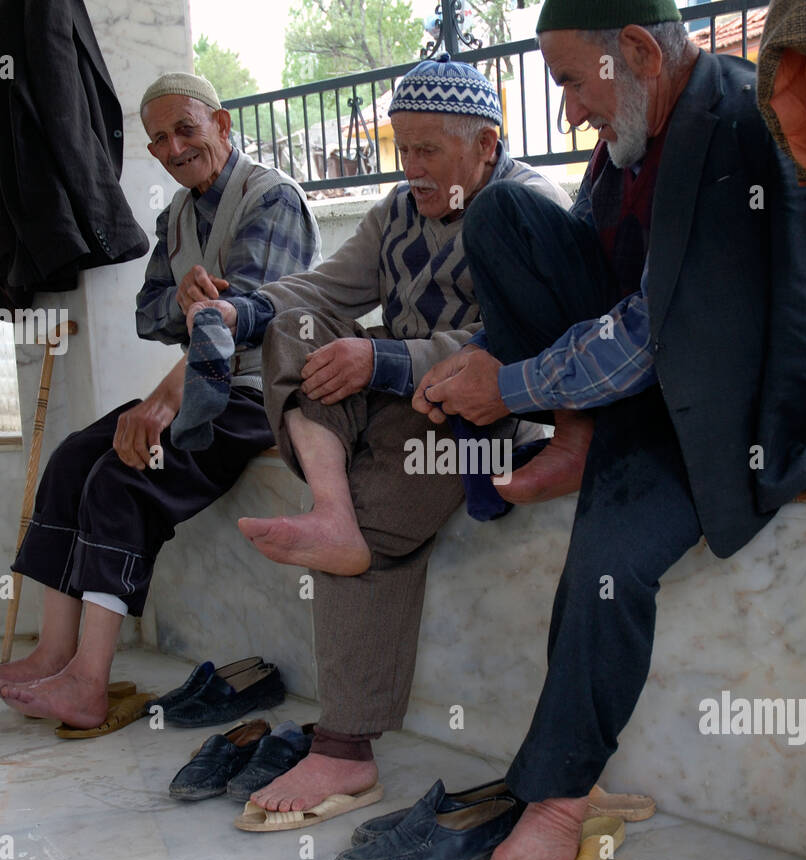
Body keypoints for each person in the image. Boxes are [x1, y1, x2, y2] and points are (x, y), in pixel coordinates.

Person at [415, 0, 806, 860]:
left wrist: (510, 386)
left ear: (640, 51)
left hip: (740, 407)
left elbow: (658, 330)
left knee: (607, 557)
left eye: (573, 80)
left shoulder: (735, 122)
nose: (568, 108)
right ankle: (579, 436)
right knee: (501, 218)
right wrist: (506, 372)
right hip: (655, 382)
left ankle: (560, 794)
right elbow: (601, 282)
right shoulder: (639, 132)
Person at [211, 55, 569, 820]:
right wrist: (244, 311)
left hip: (474, 413)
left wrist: (387, 357)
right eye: (401, 150)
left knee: (377, 523)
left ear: (485, 142)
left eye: (427, 150)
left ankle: (344, 753)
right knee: (294, 325)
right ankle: (331, 510)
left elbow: (524, 339)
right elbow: (324, 290)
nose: (411, 168)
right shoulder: (397, 211)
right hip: (391, 394)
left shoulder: (530, 205)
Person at [0, 73, 320, 728]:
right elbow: (148, 313)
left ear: (222, 124)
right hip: (197, 383)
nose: (174, 147)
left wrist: (166, 394)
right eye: (158, 139)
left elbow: (250, 320)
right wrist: (182, 304)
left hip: (256, 395)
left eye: (186, 128)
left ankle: (88, 684)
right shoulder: (177, 217)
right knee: (71, 459)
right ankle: (53, 654)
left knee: (124, 476)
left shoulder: (271, 200)